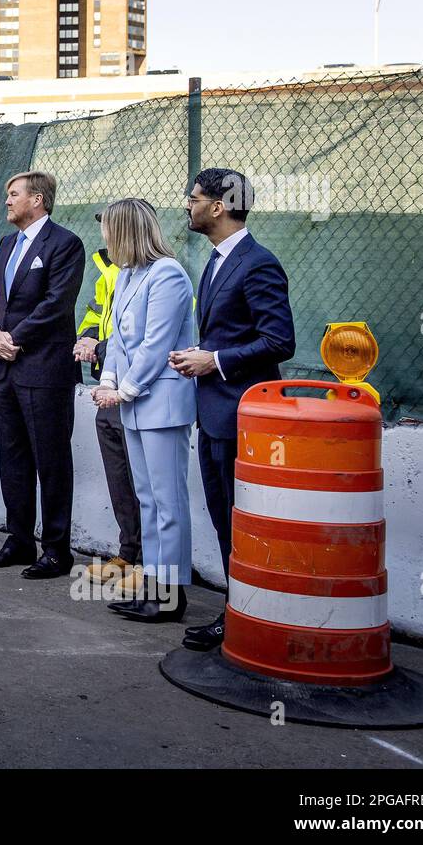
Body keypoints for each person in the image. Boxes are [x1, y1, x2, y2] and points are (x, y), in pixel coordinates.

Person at [170, 167, 295, 650]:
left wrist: (214, 360)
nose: (188, 204)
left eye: (195, 197)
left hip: (239, 416)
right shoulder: (220, 260)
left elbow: (279, 341)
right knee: (225, 518)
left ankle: (245, 617)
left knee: (236, 519)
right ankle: (242, 612)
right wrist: (202, 356)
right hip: (216, 413)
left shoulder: (257, 263)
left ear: (218, 207)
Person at [90, 199, 196, 622]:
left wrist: (124, 391)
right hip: (135, 404)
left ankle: (170, 593)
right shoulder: (129, 275)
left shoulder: (167, 274)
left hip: (162, 405)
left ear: (127, 231)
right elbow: (117, 340)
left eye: (109, 230)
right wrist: (107, 383)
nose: (104, 238)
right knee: (148, 500)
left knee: (168, 502)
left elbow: (157, 344)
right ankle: (151, 587)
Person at [0, 171, 85, 578]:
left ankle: (57, 551)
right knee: (13, 457)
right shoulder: (6, 245)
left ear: (37, 199)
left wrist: (15, 338)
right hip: (5, 370)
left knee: (51, 461)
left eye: (13, 194)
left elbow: (58, 304)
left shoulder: (65, 244)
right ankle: (19, 540)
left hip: (45, 372)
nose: (7, 201)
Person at [73, 214, 143, 594]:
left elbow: (146, 338)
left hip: (137, 390)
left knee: (143, 481)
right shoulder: (111, 271)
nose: (103, 232)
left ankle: (147, 564)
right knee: (119, 475)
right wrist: (87, 339)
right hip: (107, 384)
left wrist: (98, 348)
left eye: (110, 225)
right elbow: (97, 314)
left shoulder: (158, 274)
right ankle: (127, 553)